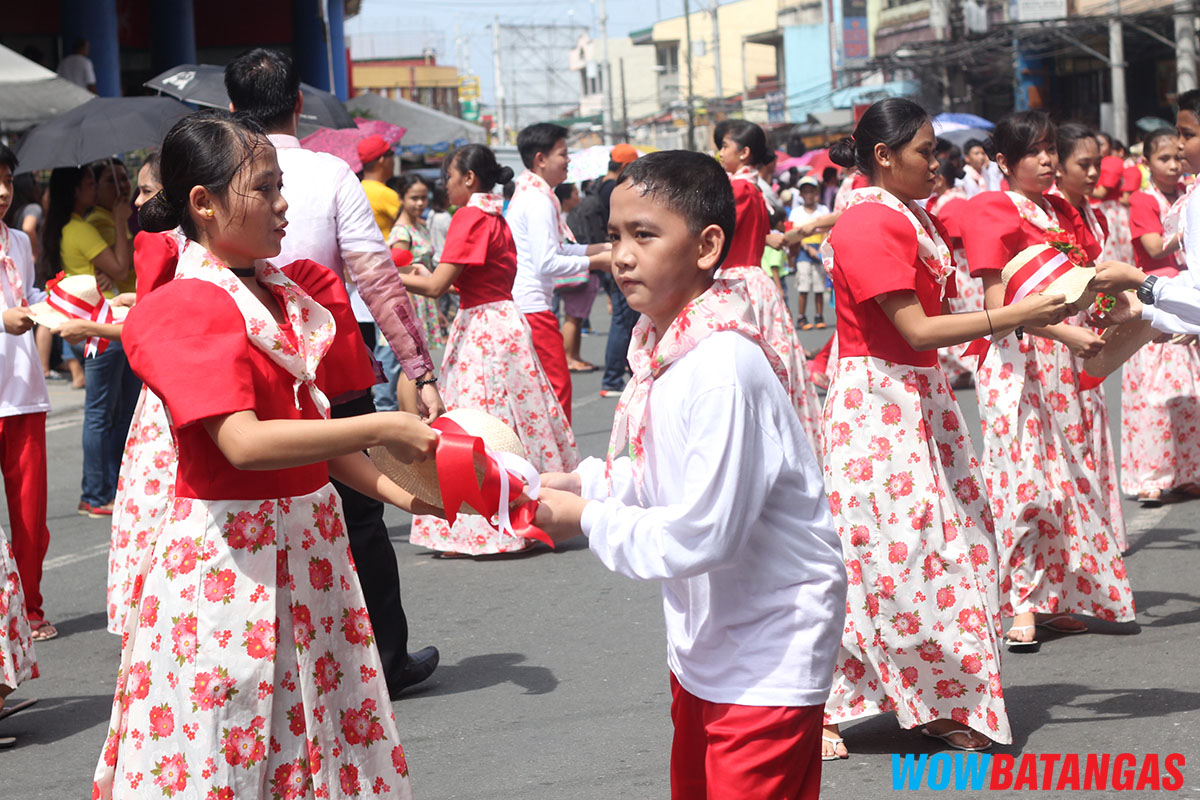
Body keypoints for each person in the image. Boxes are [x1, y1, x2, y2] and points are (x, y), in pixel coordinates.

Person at [92, 109, 438, 799]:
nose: (284, 205)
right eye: (266, 188)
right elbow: (244, 442)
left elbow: (308, 437)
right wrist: (386, 427)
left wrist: (418, 498)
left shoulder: (279, 292)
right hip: (231, 561)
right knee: (234, 739)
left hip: (306, 549)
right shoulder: (187, 305)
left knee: (317, 736)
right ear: (203, 202)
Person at [533, 150, 848, 799]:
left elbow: (703, 533)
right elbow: (652, 479)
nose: (621, 255)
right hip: (709, 644)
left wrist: (584, 517)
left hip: (767, 655)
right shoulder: (665, 348)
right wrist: (577, 485)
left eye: (644, 235)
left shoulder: (721, 369)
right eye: (615, 236)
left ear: (706, 246)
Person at [818, 99, 1072, 760]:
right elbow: (920, 330)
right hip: (879, 407)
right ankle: (838, 706)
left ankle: (932, 699)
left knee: (943, 549)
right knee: (892, 557)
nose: (940, 162)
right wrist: (1022, 315)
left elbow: (968, 304)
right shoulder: (869, 223)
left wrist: (1072, 327)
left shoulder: (914, 217)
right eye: (927, 150)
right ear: (883, 156)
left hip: (917, 400)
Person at [225, 47, 443, 696]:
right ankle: (386, 658)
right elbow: (378, 279)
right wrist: (418, 366)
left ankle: (276, 667)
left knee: (254, 515)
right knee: (361, 512)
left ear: (233, 110)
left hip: (245, 369)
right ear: (300, 104)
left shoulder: (217, 178)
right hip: (329, 365)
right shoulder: (331, 173)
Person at [960, 110, 1135, 650]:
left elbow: (1086, 282)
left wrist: (1118, 315)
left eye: (1050, 147)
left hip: (1060, 361)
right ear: (1003, 162)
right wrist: (1068, 335)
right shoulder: (991, 207)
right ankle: (1020, 602)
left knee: (1064, 480)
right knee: (1022, 481)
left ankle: (1053, 595)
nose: (1046, 159)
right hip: (1018, 357)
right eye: (1032, 150)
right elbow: (996, 304)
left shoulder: (1059, 209)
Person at [399, 144, 579, 557]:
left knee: (474, 419)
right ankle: (535, 511)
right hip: (506, 321)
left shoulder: (468, 216)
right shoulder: (496, 217)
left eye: (448, 178)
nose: (444, 186)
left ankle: (484, 526)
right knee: (520, 419)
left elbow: (435, 287)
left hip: (480, 326)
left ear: (468, 179)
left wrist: (385, 274)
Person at [714, 119, 825, 453]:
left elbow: (722, 234)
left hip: (738, 279)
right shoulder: (754, 187)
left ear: (744, 153)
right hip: (751, 278)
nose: (719, 153)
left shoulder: (740, 188)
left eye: (724, 147)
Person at [41, 165, 139, 518]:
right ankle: (97, 493)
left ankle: (105, 488)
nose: (93, 189)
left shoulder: (69, 227)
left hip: (99, 322)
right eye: (87, 184)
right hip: (101, 324)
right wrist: (118, 221)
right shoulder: (81, 228)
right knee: (103, 414)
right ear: (75, 191)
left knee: (110, 412)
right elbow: (120, 267)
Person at [506, 122, 611, 423]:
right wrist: (599, 261)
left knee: (545, 388)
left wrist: (599, 249)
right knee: (557, 386)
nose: (569, 161)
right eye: (563, 154)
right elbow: (548, 262)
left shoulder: (533, 193)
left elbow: (558, 251)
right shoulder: (538, 199)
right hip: (533, 307)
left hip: (530, 304)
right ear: (541, 159)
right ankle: (557, 457)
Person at [1120, 126, 1200, 503]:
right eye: (1163, 159)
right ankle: (1149, 476)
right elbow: (1152, 248)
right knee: (1153, 400)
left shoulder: (1188, 195)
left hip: (1186, 302)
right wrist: (1185, 224)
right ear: (1147, 163)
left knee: (1189, 398)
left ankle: (1188, 472)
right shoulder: (1143, 200)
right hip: (1154, 303)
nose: (1172, 164)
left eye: (1175, 157)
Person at [0, 144, 56, 643]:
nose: (1, 192)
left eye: (7, 181)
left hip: (24, 395)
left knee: (29, 517)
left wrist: (65, 300)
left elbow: (29, 298)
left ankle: (30, 611)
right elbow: (9, 311)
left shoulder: (18, 240)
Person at [382, 174, 446, 413]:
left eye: (423, 198)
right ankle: (410, 416)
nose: (420, 203)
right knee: (412, 365)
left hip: (424, 301)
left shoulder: (419, 226)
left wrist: (436, 308)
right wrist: (409, 317)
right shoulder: (401, 233)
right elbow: (401, 278)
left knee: (420, 363)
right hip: (411, 304)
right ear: (401, 198)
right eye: (414, 198)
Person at [927, 158, 978, 388]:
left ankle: (973, 365)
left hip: (963, 266)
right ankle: (967, 369)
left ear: (942, 180)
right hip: (959, 265)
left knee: (961, 319)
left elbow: (955, 236)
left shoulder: (954, 202)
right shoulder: (947, 199)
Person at [554, 181, 601, 373]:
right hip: (574, 271)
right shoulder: (567, 219)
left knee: (577, 316)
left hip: (573, 271)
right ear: (566, 198)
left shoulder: (564, 216)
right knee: (573, 316)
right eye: (574, 193)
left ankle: (574, 356)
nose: (578, 196)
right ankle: (568, 357)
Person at [85, 159, 137, 296]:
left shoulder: (119, 214)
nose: (121, 186)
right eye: (111, 181)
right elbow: (122, 264)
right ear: (96, 188)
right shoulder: (97, 221)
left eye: (124, 179)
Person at [789, 176, 830, 329]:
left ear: (816, 192)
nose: (809, 195)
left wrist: (821, 248)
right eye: (805, 192)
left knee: (819, 286)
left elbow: (827, 230)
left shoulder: (823, 210)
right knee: (804, 287)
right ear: (801, 194)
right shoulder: (796, 213)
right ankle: (802, 316)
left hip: (820, 251)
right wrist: (807, 248)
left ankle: (819, 316)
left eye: (811, 191)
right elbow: (793, 233)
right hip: (803, 252)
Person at [360, 135, 401, 238]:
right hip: (385, 251)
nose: (393, 160)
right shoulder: (384, 193)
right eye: (391, 155)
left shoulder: (357, 188)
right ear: (382, 160)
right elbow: (411, 223)